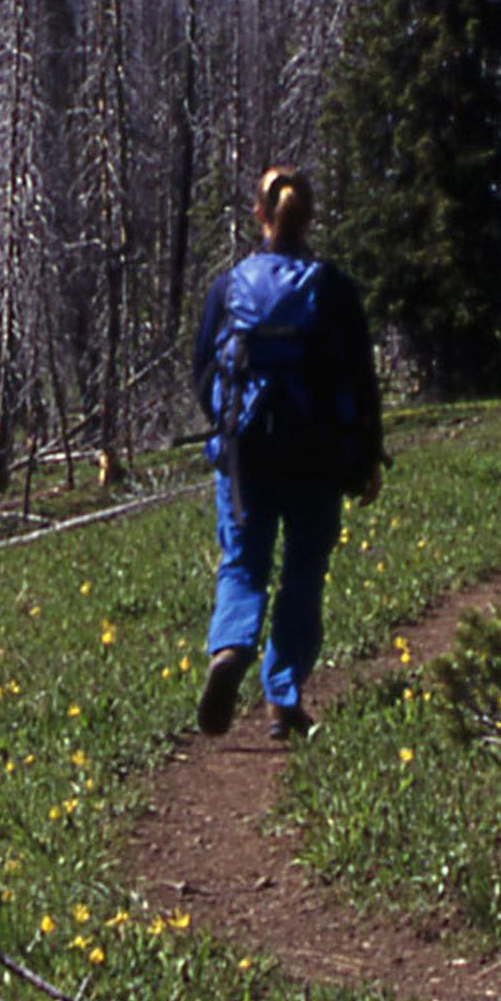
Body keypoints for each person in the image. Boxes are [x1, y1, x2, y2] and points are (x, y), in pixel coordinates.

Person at [192, 167, 383, 741]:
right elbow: (362, 380)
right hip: (316, 453)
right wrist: (368, 455)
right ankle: (283, 697)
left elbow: (204, 372)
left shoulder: (228, 288)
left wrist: (230, 426)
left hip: (247, 454)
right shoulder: (334, 289)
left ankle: (230, 649)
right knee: (304, 571)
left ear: (260, 216)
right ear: (310, 217)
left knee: (244, 562)